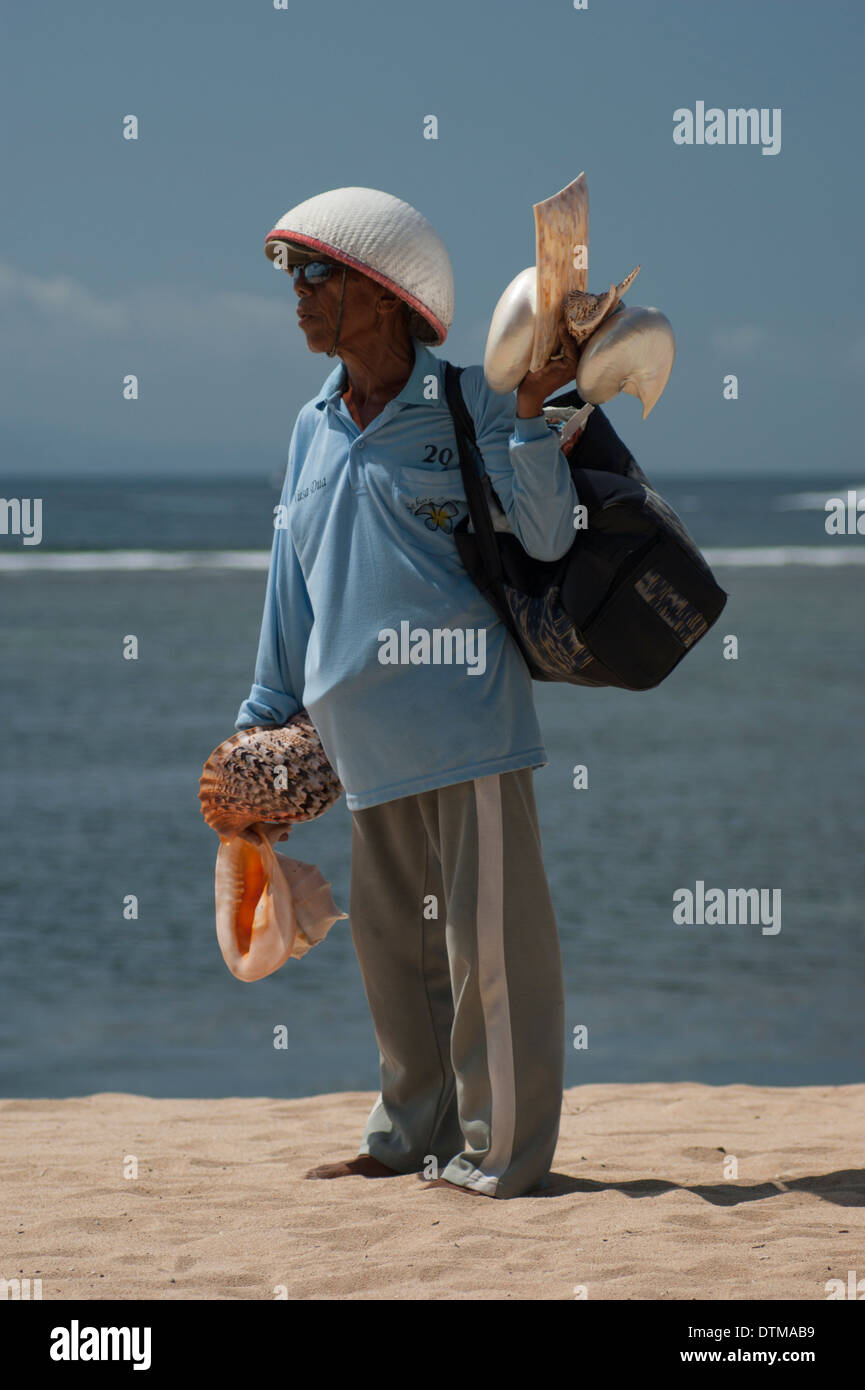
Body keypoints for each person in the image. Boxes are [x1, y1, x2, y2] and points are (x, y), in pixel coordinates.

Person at [236, 186, 580, 1198]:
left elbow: (550, 536)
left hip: (466, 730)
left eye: (315, 276)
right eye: (289, 277)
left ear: (382, 295)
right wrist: (262, 722)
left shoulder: (474, 401)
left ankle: (502, 1156)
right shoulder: (308, 429)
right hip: (359, 749)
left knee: (491, 962)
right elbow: (289, 587)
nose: (296, 297)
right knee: (397, 964)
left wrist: (526, 416)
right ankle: (408, 1139)